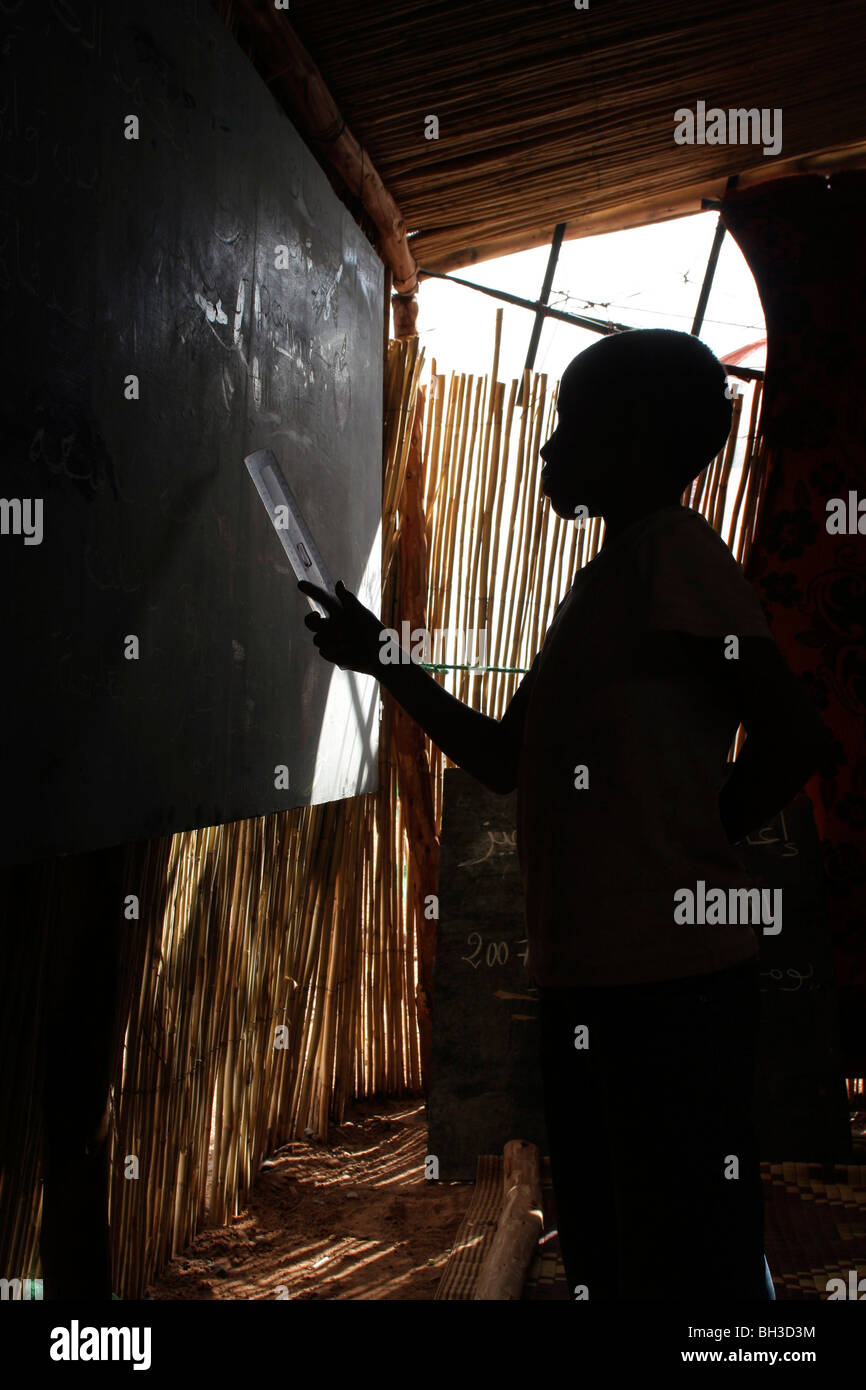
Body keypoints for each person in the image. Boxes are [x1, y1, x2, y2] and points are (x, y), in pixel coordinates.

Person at [298, 327, 832, 1300]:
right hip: (602, 977)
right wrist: (382, 661)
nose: (545, 451)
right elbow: (503, 759)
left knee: (683, 1249)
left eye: (567, 426)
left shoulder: (672, 559)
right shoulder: (608, 584)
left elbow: (794, 736)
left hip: (668, 984)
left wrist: (685, 842)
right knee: (621, 1240)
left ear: (627, 439)